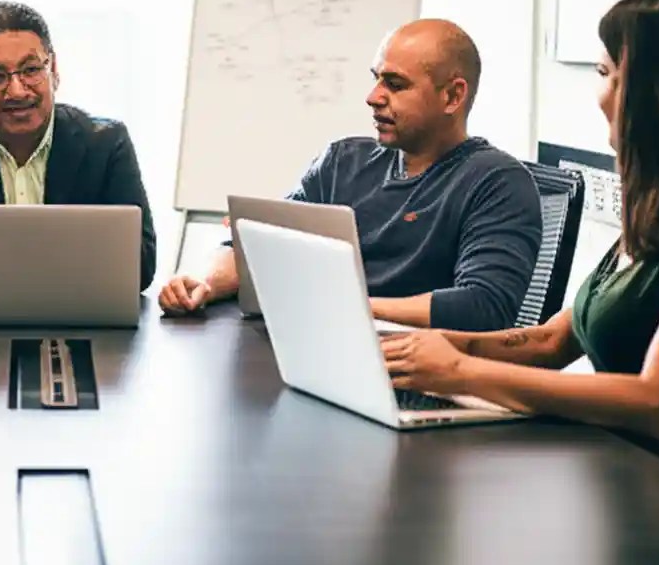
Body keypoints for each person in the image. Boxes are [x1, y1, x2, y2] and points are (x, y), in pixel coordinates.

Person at [381, 0, 659, 503]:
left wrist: (461, 371)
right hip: (628, 486)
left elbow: (656, 400)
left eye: (606, 74)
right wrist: (419, 349)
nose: (598, 93)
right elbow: (551, 342)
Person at [160, 19, 543, 332]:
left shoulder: (497, 182)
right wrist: (206, 283)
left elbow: (483, 307)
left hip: (411, 374)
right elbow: (259, 247)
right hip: (322, 351)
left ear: (452, 97)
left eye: (394, 84)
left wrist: (346, 308)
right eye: (376, 78)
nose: (373, 96)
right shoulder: (343, 160)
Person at [0, 1, 157, 306]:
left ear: (54, 71)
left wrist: (28, 279)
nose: (17, 91)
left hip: (79, 317)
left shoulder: (105, 142)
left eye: (31, 70)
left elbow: (141, 260)